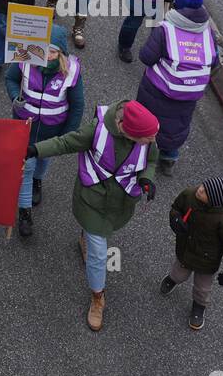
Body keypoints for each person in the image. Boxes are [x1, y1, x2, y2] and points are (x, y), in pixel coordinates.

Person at [31, 99, 160, 332]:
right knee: (99, 253)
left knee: (96, 238)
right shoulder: (97, 131)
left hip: (119, 203)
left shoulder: (146, 135)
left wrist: (147, 179)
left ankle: (86, 238)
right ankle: (97, 297)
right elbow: (65, 143)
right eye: (148, 138)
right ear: (126, 130)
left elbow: (150, 160)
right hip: (92, 200)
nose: (152, 141)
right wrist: (35, 149)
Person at [6, 22, 84, 239]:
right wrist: (15, 97)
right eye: (44, 49)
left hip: (52, 131)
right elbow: (11, 79)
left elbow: (77, 106)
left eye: (53, 51)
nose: (47, 55)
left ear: (61, 53)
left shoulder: (71, 71)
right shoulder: (24, 57)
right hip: (25, 128)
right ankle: (24, 213)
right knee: (26, 168)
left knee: (42, 162)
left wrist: (67, 136)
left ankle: (38, 180)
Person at [135, 0, 217, 175]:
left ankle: (143, 157)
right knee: (177, 124)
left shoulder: (166, 28)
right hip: (190, 92)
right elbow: (214, 59)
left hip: (159, 88)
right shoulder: (207, 32)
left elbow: (147, 57)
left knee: (149, 121)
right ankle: (169, 158)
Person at [161, 176, 223, 331]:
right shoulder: (189, 195)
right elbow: (176, 207)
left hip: (207, 260)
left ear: (213, 201)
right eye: (204, 185)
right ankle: (172, 279)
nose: (200, 189)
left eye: (205, 192)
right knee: (179, 274)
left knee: (202, 288)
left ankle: (199, 306)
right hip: (186, 249)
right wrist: (175, 219)